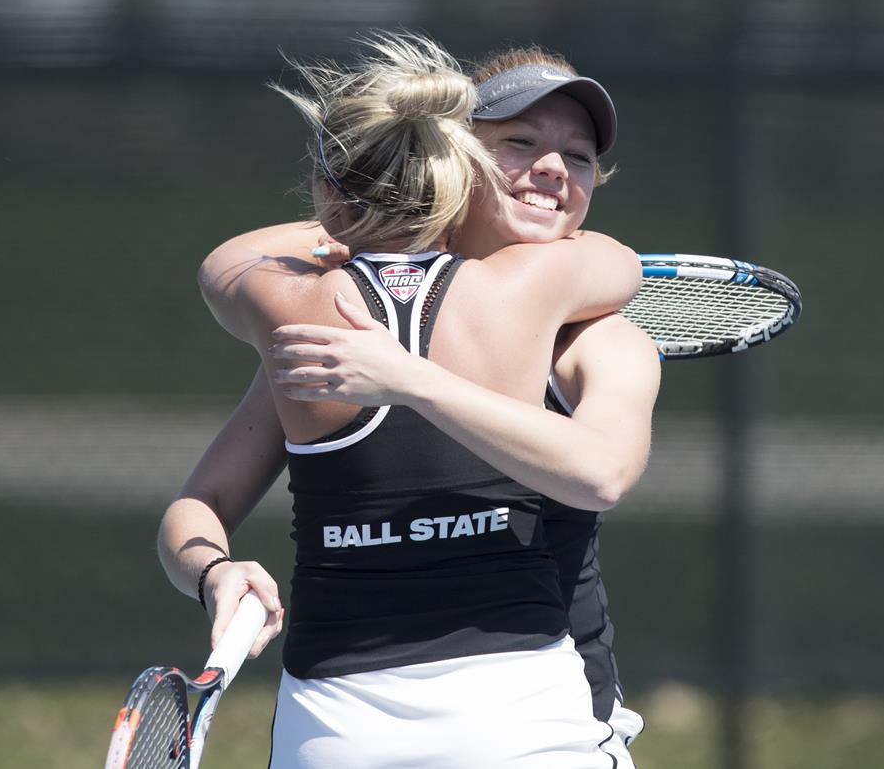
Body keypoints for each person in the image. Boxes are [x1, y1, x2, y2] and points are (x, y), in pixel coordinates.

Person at [161, 46, 655, 762]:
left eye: (578, 157)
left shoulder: (598, 336)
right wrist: (215, 570)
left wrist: (406, 363)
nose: (553, 168)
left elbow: (602, 470)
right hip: (466, 711)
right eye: (520, 142)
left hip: (563, 704)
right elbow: (200, 501)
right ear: (453, 157)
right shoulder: (332, 340)